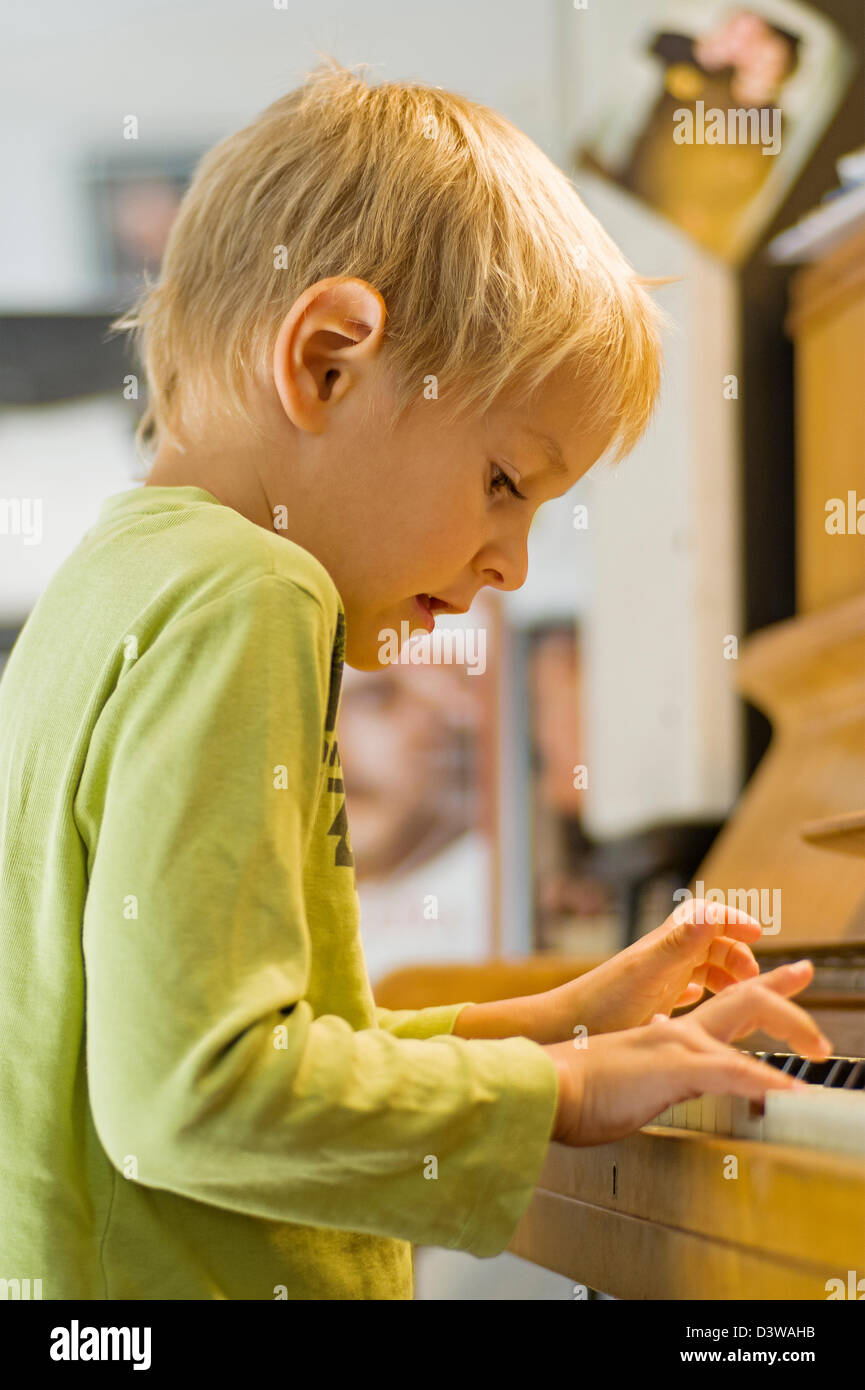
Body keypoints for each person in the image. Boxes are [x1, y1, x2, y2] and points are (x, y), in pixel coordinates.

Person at [0, 60, 828, 1301]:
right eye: (508, 482)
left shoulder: (113, 585)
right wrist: (557, 1091)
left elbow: (263, 1054)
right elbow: (196, 1098)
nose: (511, 562)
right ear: (329, 362)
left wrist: (568, 1024)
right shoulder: (253, 595)